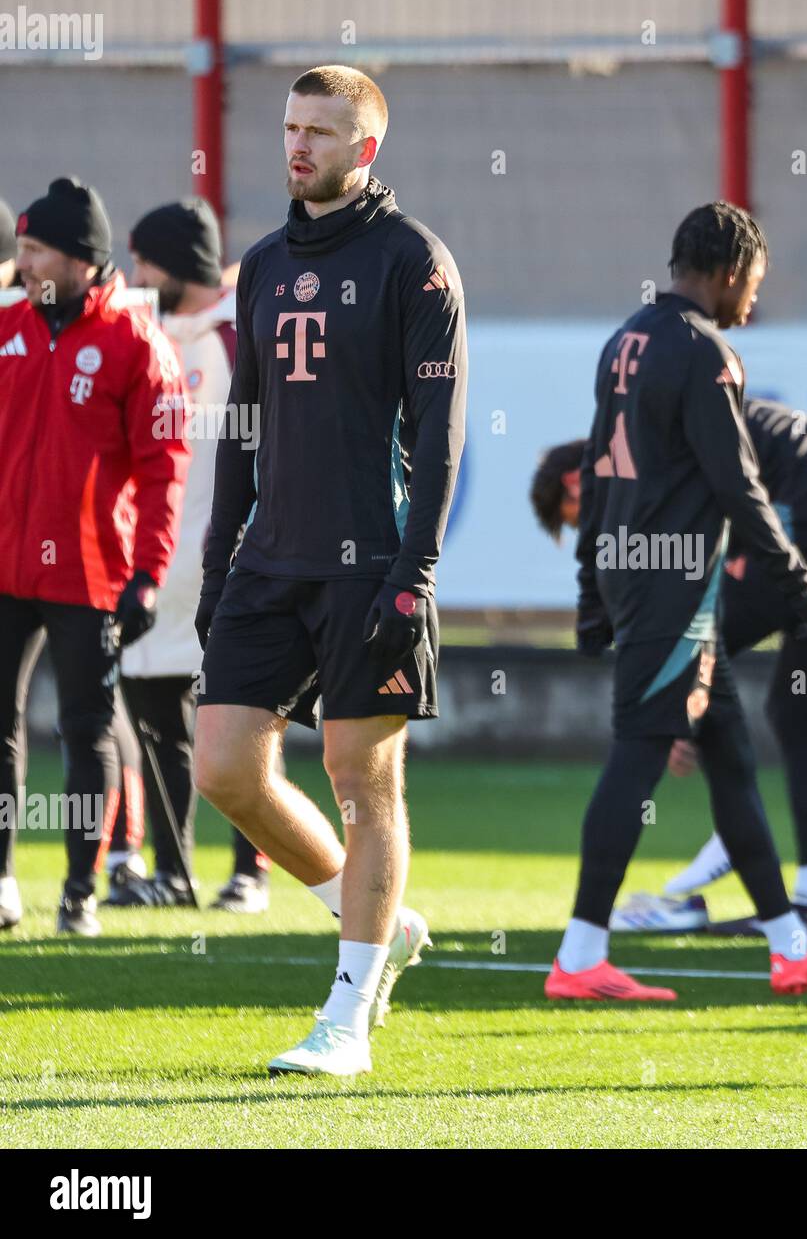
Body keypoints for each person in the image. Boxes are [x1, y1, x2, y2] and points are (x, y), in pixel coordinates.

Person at [192, 65, 467, 1076]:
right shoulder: (261, 264)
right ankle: (373, 922)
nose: (298, 145)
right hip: (270, 562)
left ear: (366, 147)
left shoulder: (415, 261)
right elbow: (240, 430)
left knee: (362, 781)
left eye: (320, 131)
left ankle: (345, 1019)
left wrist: (415, 573)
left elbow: (438, 437)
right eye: (290, 128)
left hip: (371, 566)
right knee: (221, 767)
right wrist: (220, 564)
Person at [546, 200, 807, 1003]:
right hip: (673, 585)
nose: (751, 305)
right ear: (730, 273)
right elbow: (738, 483)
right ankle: (582, 954)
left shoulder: (623, 338)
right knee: (639, 752)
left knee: (731, 758)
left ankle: (792, 947)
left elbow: (600, 469)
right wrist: (798, 582)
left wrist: (592, 586)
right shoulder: (707, 352)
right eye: (752, 285)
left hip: (646, 573)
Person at [531, 399, 807, 934]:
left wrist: (681, 698)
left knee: (692, 646)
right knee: (793, 707)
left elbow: (699, 566)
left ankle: (735, 836)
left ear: (575, 483)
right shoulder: (685, 426)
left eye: (582, 519)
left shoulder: (647, 452)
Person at [0, 177, 189, 935]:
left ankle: (79, 891)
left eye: (35, 248)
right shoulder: (8, 327)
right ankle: (4, 881)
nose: (22, 261)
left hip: (88, 571)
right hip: (6, 568)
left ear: (81, 258)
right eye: (20, 246)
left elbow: (163, 465)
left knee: (84, 729)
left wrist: (148, 573)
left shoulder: (136, 342)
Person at [100, 197, 272, 912]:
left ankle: (250, 871)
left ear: (175, 261)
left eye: (145, 260)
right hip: (149, 572)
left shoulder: (239, 338)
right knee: (158, 725)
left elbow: (267, 453)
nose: (136, 273)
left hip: (226, 569)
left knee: (238, 726)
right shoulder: (142, 336)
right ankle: (173, 875)